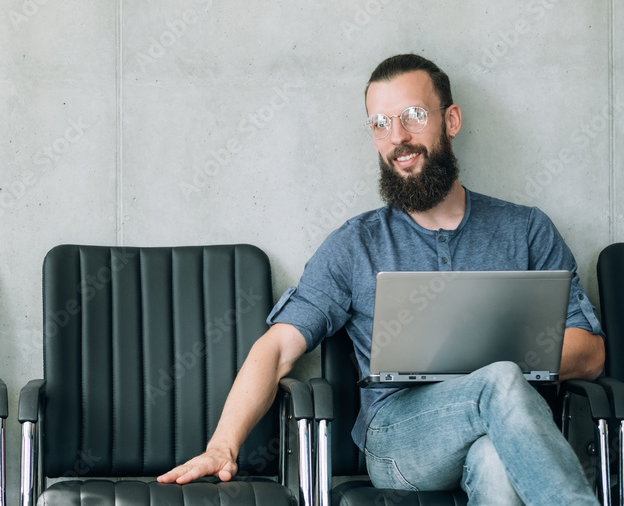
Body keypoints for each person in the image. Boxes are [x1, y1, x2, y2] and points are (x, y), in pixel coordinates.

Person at [158, 54, 605, 504]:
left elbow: (590, 353)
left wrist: (486, 363)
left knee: (495, 461)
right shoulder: (356, 244)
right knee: (501, 378)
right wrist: (222, 445)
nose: (398, 138)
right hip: (400, 441)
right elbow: (276, 350)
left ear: (450, 120)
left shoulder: (525, 230)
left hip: (511, 432)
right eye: (379, 123)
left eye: (413, 116)